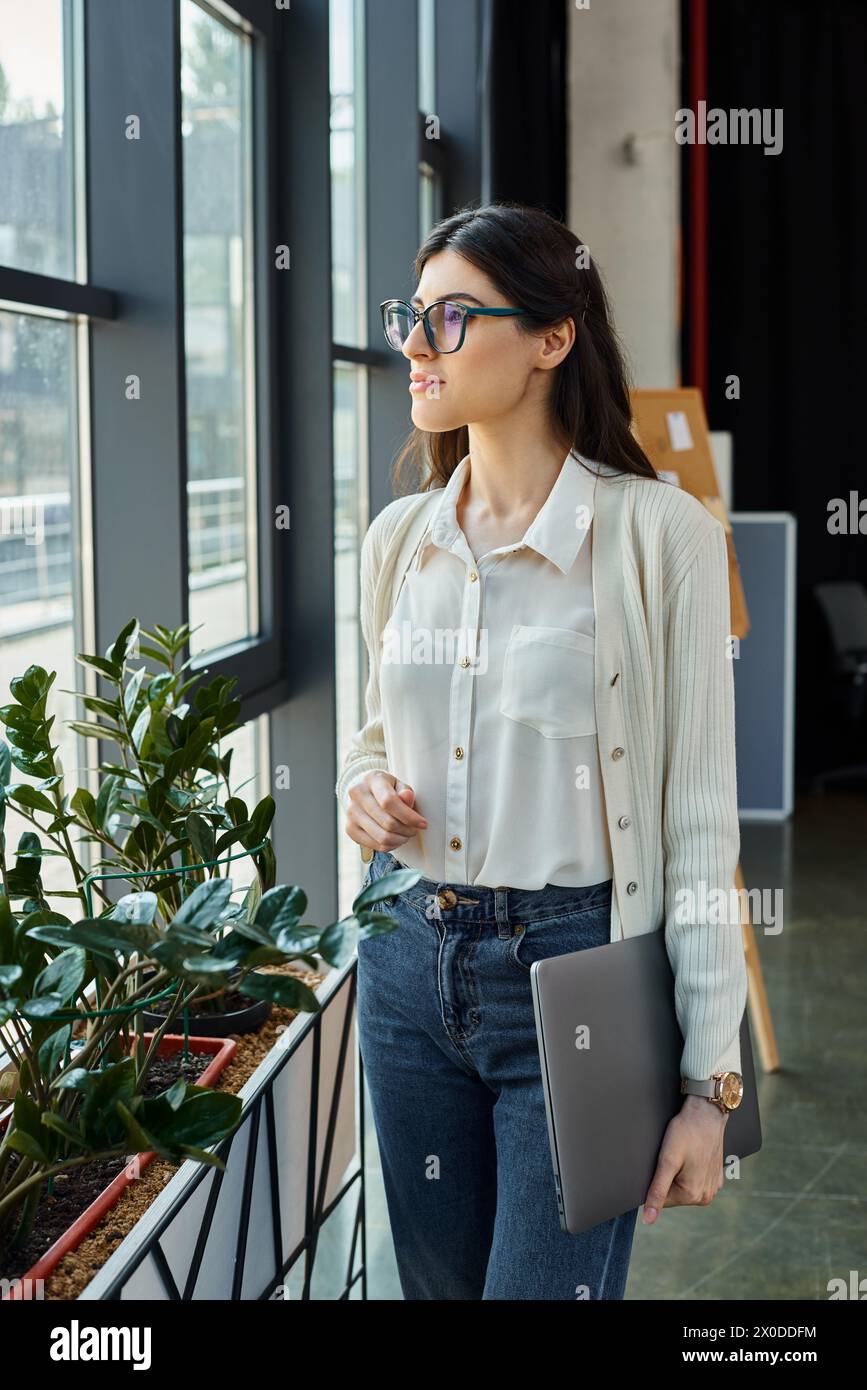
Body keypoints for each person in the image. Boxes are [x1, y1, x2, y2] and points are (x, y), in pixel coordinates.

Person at [335, 201, 747, 1301]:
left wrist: (710, 1088)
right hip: (405, 957)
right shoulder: (396, 540)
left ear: (553, 338)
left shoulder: (664, 540)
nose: (416, 346)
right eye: (411, 318)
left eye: (453, 318)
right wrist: (362, 786)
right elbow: (372, 734)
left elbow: (701, 823)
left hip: (576, 972)